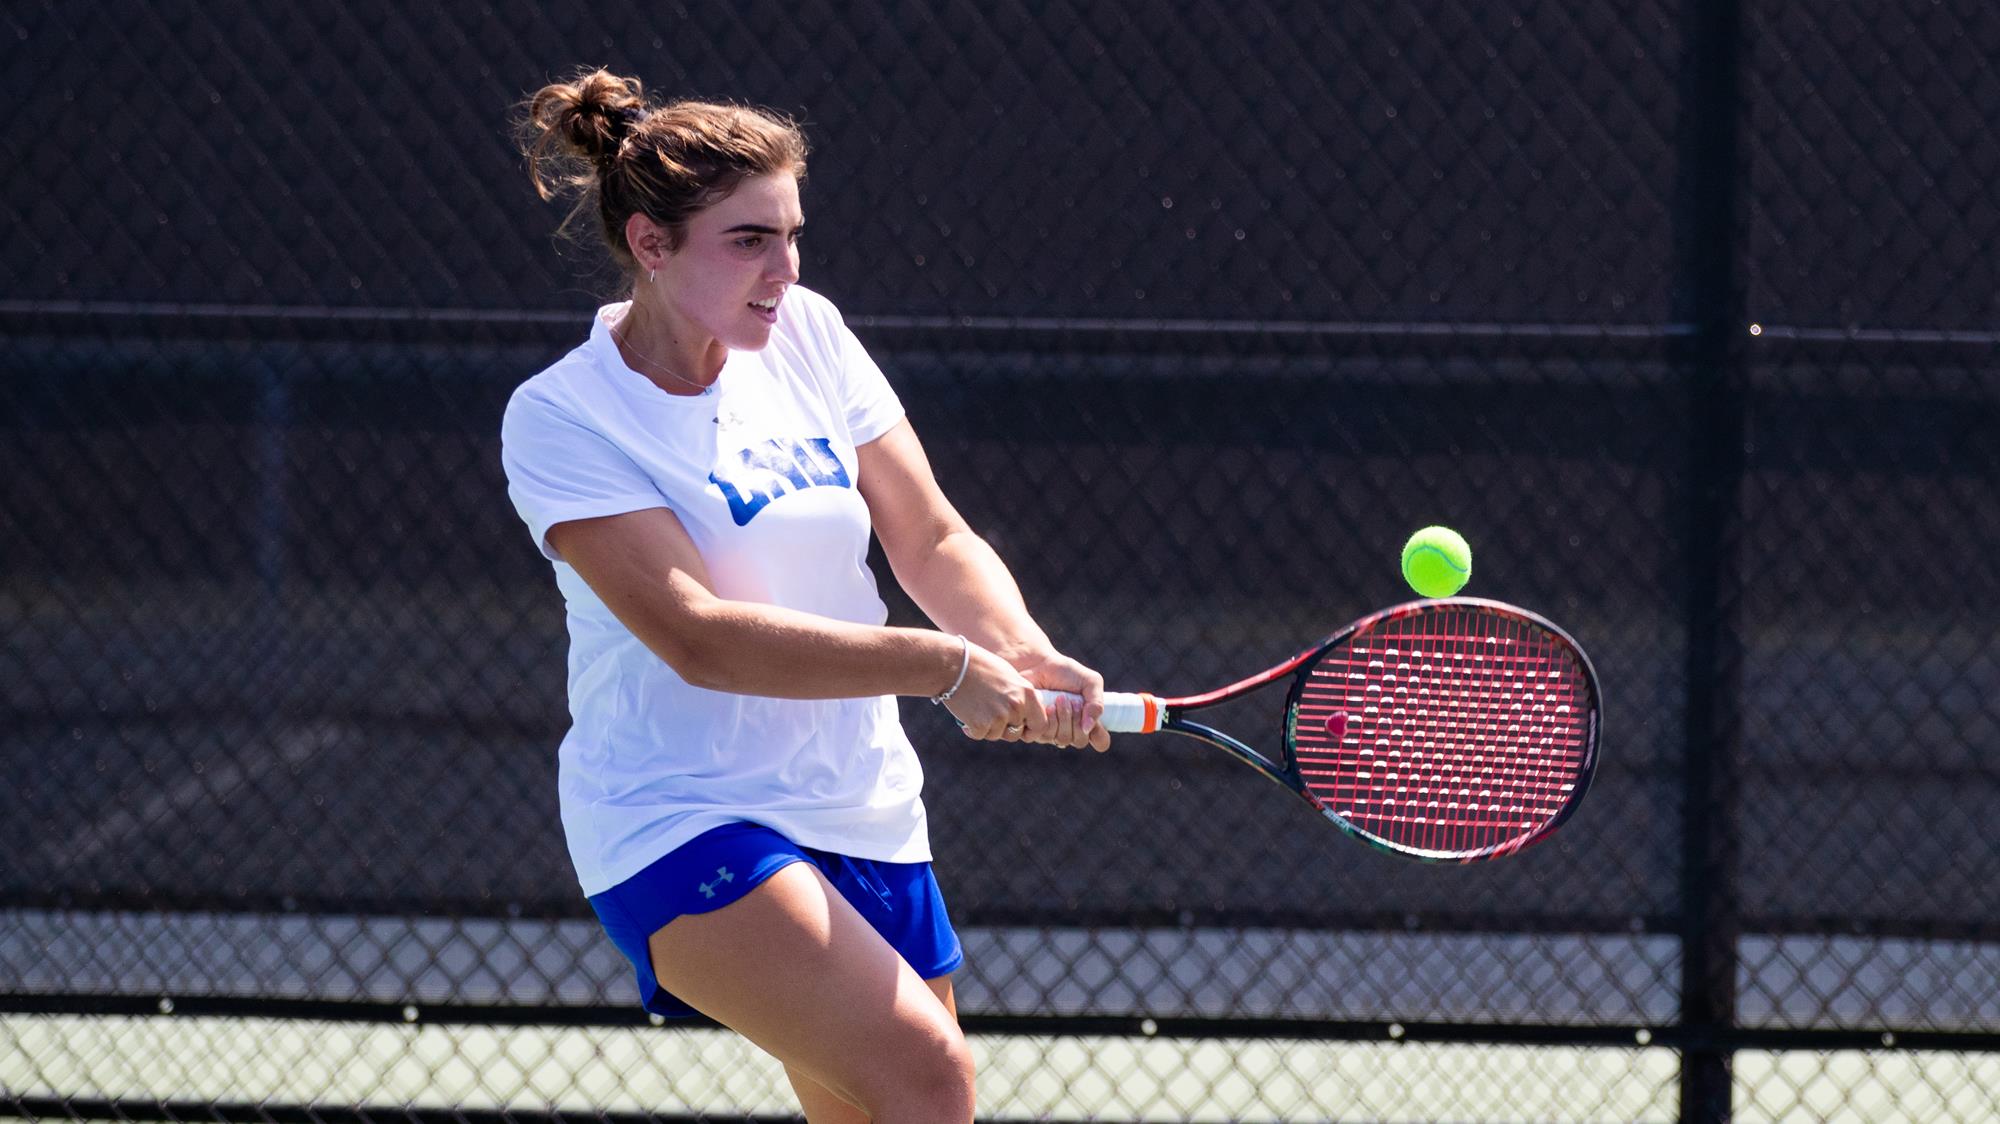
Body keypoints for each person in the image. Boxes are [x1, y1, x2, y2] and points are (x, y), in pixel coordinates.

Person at [502, 69, 1111, 1123]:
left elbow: (928, 534)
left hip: (861, 798)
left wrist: (1019, 642)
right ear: (650, 245)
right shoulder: (563, 416)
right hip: (681, 813)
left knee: (871, 1107)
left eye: (790, 235)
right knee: (929, 1078)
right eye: (747, 241)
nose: (782, 270)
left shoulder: (811, 336)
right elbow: (699, 638)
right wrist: (945, 666)